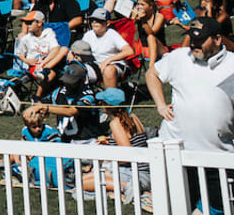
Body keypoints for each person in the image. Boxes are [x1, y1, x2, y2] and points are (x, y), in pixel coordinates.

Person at [148, 16, 234, 153]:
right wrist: (161, 105)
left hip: (218, 155)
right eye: (192, 39)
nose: (194, 44)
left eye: (200, 40)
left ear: (217, 39)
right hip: (175, 150)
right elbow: (152, 74)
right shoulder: (180, 57)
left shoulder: (231, 65)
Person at [13, 10, 67, 97]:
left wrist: (44, 64)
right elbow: (20, 54)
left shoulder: (48, 32)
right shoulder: (26, 38)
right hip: (34, 64)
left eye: (30, 22)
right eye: (26, 23)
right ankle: (38, 96)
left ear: (39, 23)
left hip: (47, 62)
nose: (27, 25)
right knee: (51, 74)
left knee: (63, 49)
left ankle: (44, 70)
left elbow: (55, 49)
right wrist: (27, 60)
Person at [84, 8, 135, 89]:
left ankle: (110, 100)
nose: (94, 23)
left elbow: (129, 51)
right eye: (92, 20)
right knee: (76, 69)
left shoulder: (112, 34)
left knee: (108, 70)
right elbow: (81, 49)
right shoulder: (88, 35)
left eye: (98, 20)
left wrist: (109, 60)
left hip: (115, 65)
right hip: (96, 65)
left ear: (107, 23)